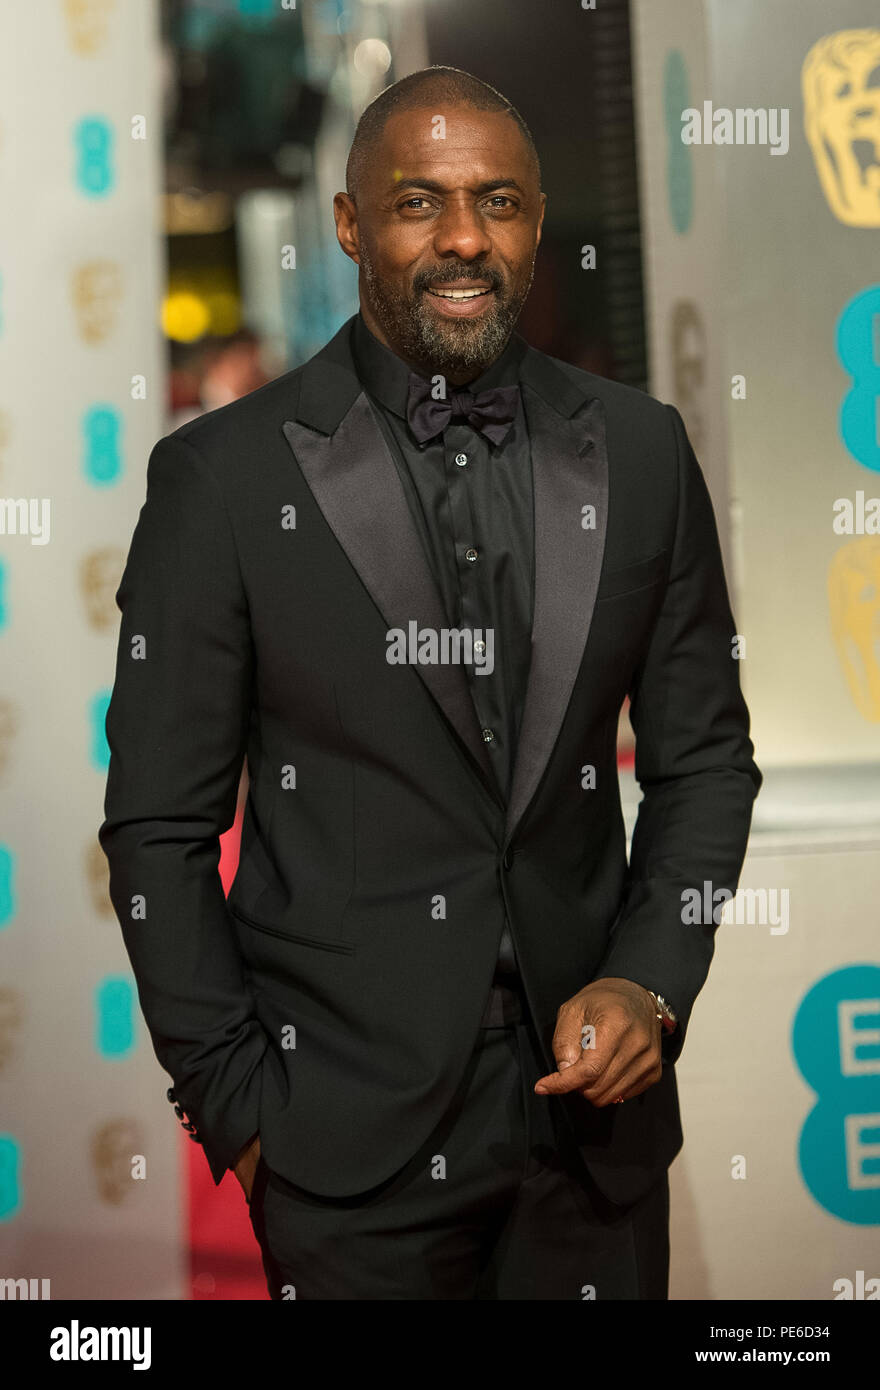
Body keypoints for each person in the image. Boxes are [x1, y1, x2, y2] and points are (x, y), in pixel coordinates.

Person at [99, 66, 761, 1300]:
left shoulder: (641, 452)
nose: (464, 236)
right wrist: (240, 1111)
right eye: (419, 201)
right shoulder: (225, 482)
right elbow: (158, 824)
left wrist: (649, 978)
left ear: (535, 218)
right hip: (340, 1152)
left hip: (589, 1145)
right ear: (350, 224)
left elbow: (706, 761)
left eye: (496, 200)